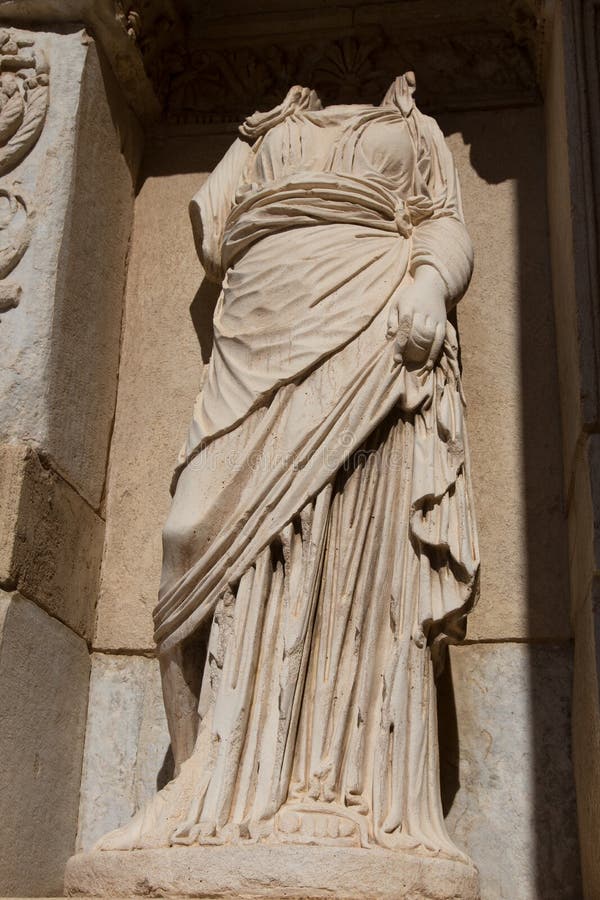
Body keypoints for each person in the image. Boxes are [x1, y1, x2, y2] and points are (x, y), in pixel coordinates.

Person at [98, 73, 479, 859]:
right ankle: (196, 782)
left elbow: (445, 222)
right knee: (186, 536)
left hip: (371, 322)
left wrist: (431, 286)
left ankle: (336, 792)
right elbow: (215, 238)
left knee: (354, 555)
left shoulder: (415, 127)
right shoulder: (260, 128)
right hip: (257, 330)